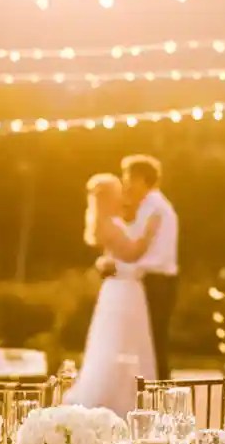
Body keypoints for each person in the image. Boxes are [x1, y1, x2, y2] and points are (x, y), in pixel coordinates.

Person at [63, 173, 159, 415]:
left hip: (123, 288)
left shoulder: (110, 222)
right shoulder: (109, 223)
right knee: (116, 343)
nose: (122, 197)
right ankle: (113, 398)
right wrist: (150, 232)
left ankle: (124, 395)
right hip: (121, 291)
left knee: (124, 344)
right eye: (117, 192)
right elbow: (131, 253)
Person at [111, 154, 178, 381]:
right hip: (152, 280)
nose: (126, 184)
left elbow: (150, 253)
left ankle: (159, 387)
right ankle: (153, 386)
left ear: (141, 179)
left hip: (157, 281)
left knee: (154, 340)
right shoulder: (148, 206)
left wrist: (121, 268)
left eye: (128, 178)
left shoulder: (155, 208)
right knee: (149, 341)